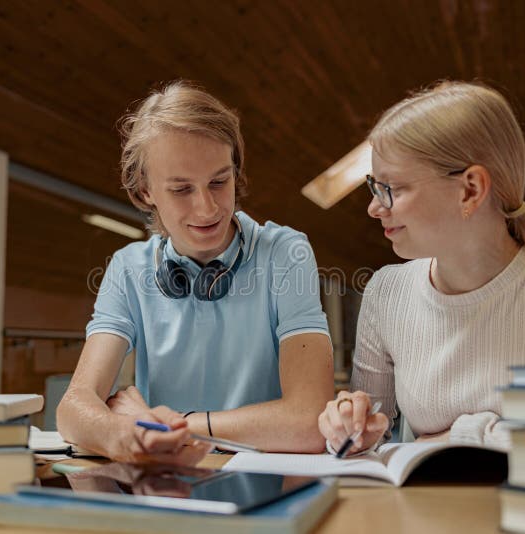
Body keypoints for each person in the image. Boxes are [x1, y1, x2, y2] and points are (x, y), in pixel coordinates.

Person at [318, 81, 525, 456]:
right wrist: (348, 427)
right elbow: (372, 433)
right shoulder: (386, 292)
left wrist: (462, 437)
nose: (374, 208)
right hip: (425, 511)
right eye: (375, 186)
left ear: (470, 189)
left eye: (393, 188)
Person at [57, 81, 334, 464]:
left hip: (262, 478)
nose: (207, 209)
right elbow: (73, 407)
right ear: (144, 192)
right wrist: (123, 433)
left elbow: (308, 421)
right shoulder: (127, 267)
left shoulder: (286, 252)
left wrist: (174, 425)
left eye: (219, 182)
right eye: (181, 189)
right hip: (168, 480)